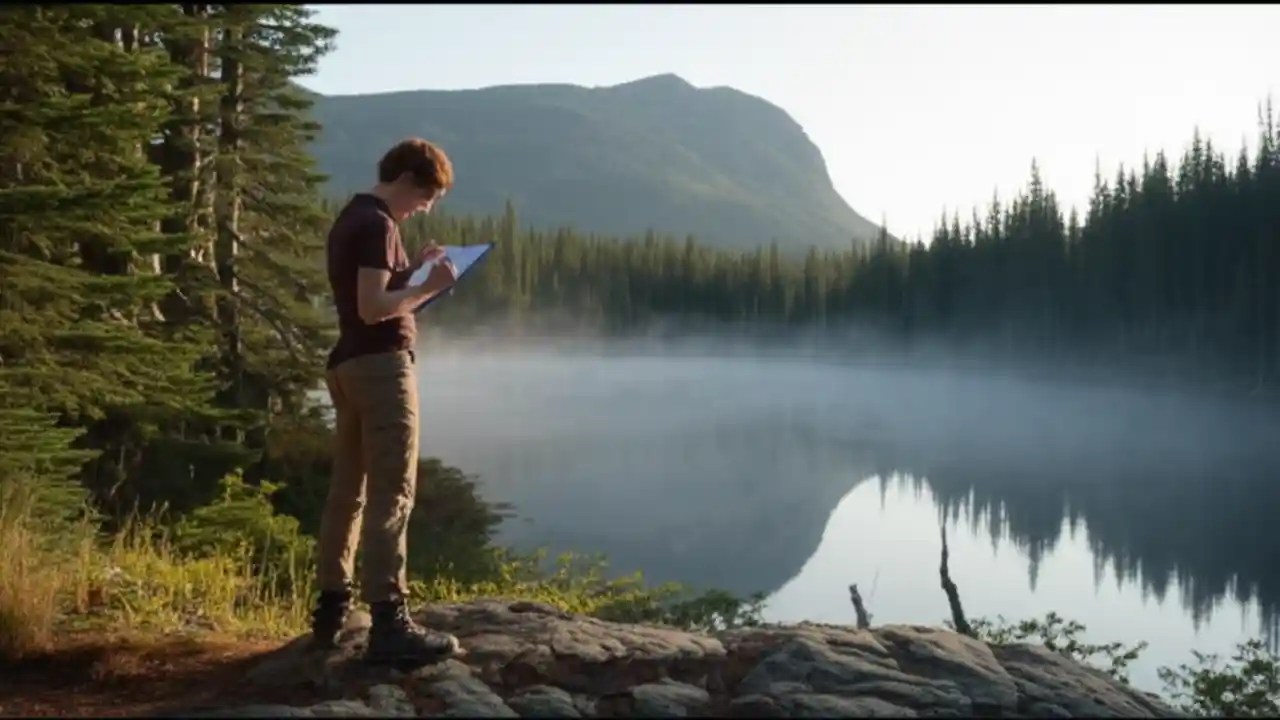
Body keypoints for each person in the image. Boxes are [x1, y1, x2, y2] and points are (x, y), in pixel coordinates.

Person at [311, 137, 460, 666]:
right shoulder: (376, 224)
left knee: (347, 491)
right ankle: (390, 623)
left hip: (348, 365)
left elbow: (368, 294)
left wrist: (410, 270)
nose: (425, 206)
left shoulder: (354, 217)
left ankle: (332, 606)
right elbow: (373, 308)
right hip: (381, 368)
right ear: (404, 180)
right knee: (393, 493)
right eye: (425, 196)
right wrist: (430, 288)